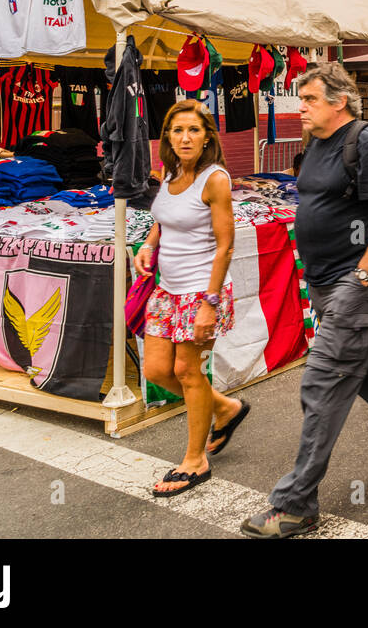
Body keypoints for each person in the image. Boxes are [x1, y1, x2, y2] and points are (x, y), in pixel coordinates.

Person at [243, 64, 368, 538]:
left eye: (308, 98)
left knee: (322, 385)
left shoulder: (366, 142)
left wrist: (362, 276)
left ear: (339, 101)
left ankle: (295, 503)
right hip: (326, 282)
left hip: (356, 284)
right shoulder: (315, 145)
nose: (299, 106)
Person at [137, 100, 246, 497]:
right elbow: (165, 217)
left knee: (187, 372)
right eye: (178, 129)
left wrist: (209, 304)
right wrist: (149, 243)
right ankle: (226, 408)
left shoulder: (215, 179)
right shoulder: (171, 172)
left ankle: (195, 460)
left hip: (202, 291)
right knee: (156, 370)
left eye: (194, 130)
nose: (185, 137)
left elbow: (226, 246)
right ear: (167, 135)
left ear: (207, 138)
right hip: (167, 289)